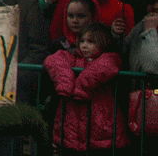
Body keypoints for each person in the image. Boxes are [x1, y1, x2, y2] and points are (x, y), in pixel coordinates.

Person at [43, 22, 130, 154]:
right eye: (82, 41)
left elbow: (101, 69)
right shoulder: (74, 57)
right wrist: (65, 84)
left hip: (99, 121)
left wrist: (79, 87)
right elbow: (54, 60)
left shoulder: (110, 58)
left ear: (103, 42)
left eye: (90, 41)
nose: (84, 45)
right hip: (72, 122)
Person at [126, 0, 158, 74]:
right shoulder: (142, 25)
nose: (156, 7)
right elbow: (123, 55)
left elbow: (152, 68)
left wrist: (149, 32)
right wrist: (116, 35)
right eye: (152, 2)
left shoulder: (148, 26)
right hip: (138, 88)